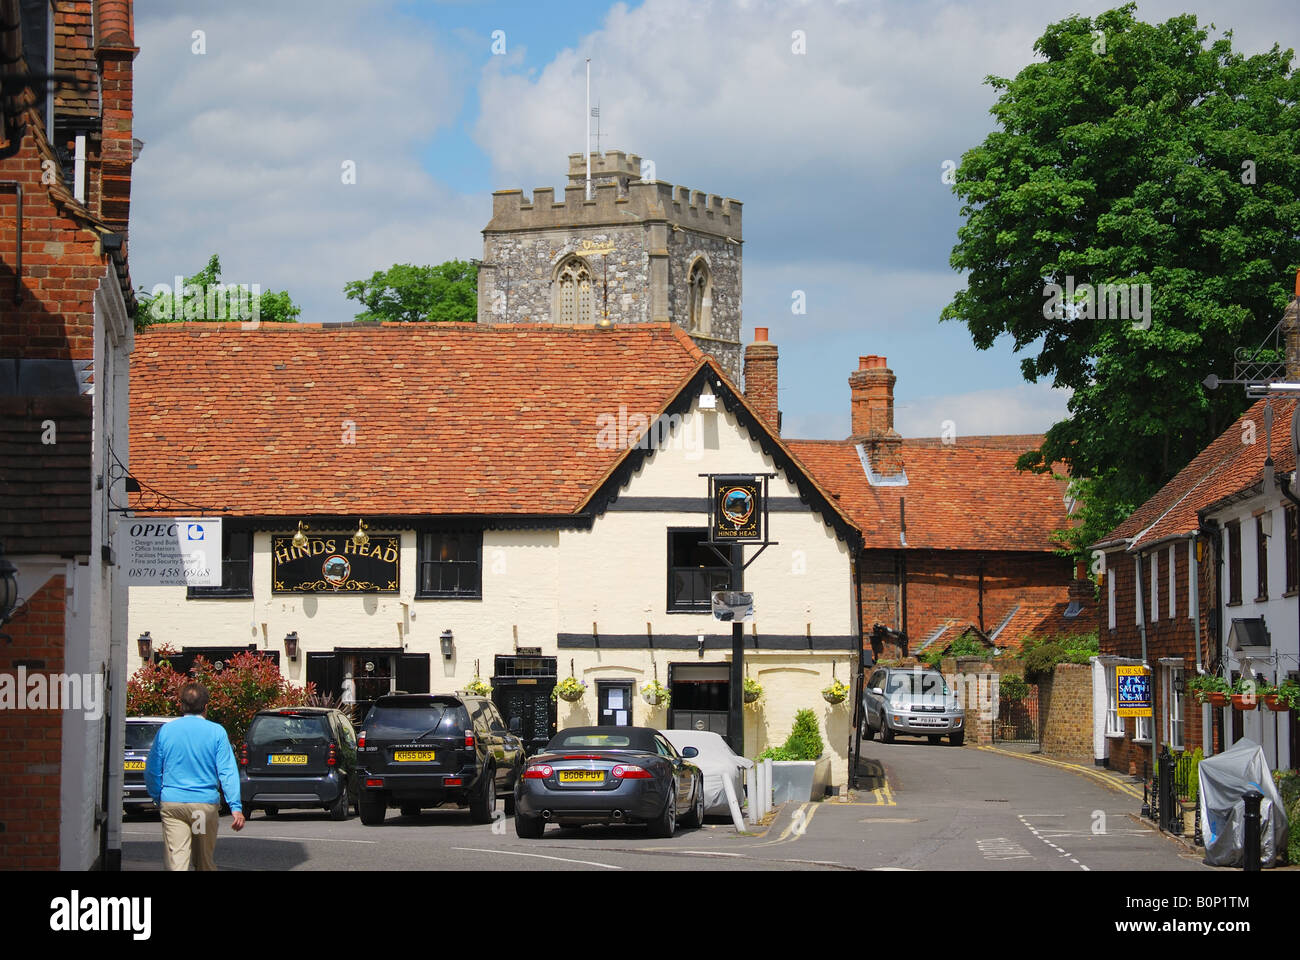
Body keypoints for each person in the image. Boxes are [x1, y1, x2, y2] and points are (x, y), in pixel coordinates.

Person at [144, 681, 245, 870]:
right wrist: (235, 806)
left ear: (181, 705)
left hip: (173, 804)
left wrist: (159, 796)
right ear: (206, 707)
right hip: (203, 806)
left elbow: (152, 770)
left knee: (177, 861)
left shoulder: (166, 731)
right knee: (203, 861)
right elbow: (227, 771)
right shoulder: (216, 732)